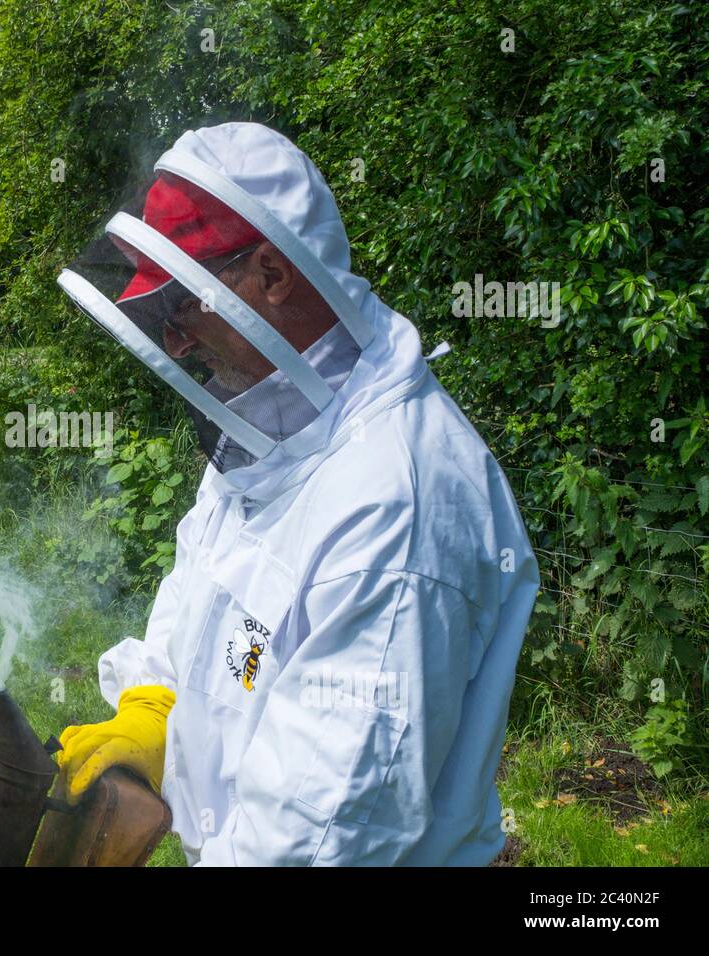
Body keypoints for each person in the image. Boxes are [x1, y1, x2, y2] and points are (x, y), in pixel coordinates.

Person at [53, 122, 539, 865]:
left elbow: (325, 832)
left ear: (272, 275)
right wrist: (154, 707)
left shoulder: (396, 503)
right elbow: (199, 589)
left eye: (182, 304)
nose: (176, 341)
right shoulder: (277, 424)